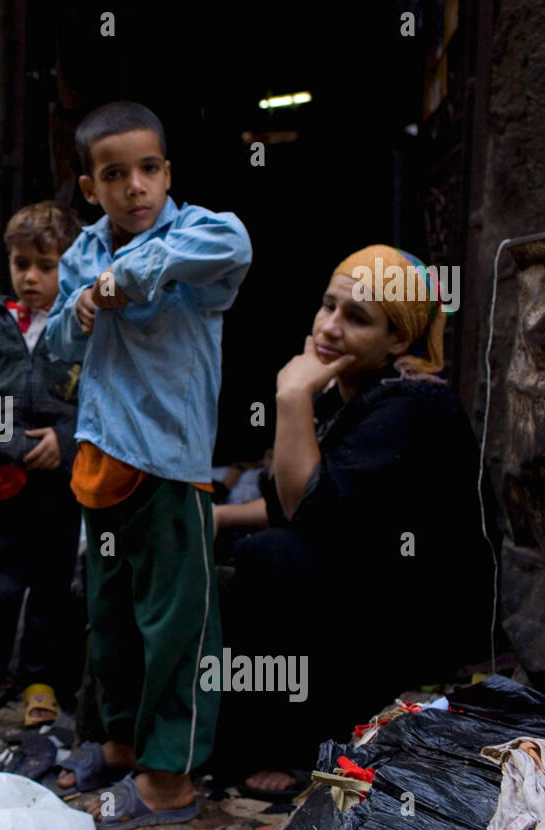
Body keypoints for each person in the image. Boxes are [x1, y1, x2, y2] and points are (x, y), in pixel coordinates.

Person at [211, 245, 497, 800]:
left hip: (416, 620)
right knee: (234, 548)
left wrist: (291, 396)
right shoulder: (349, 393)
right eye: (328, 307)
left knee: (271, 556)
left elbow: (309, 510)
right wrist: (215, 514)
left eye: (357, 318)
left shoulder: (413, 404)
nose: (331, 327)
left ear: (397, 340)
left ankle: (296, 747)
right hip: (362, 584)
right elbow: (285, 495)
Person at [43, 101, 252, 830]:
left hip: (169, 464)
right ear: (89, 187)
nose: (134, 186)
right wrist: (77, 312)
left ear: (168, 173)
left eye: (148, 169)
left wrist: (127, 279)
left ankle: (169, 779)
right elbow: (53, 348)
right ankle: (122, 744)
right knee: (111, 618)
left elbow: (238, 245)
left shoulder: (196, 232)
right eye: (114, 174)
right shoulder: (80, 254)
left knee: (177, 626)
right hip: (103, 461)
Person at [0, 200, 85, 735]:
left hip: (60, 483)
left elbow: (96, 400)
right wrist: (0, 445)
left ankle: (38, 682)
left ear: (68, 267)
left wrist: (66, 440)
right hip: (3, 480)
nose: (31, 277)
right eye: (21, 263)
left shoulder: (81, 328)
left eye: (45, 267)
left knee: (51, 585)